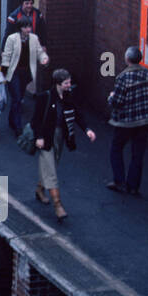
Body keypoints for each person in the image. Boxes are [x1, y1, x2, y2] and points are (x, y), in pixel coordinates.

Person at [31, 68, 95, 221]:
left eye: (69, 82)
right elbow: (35, 120)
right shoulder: (45, 97)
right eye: (66, 83)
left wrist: (87, 129)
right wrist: (39, 137)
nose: (69, 85)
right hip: (46, 138)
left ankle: (40, 189)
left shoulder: (68, 96)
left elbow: (77, 114)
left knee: (51, 165)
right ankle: (58, 205)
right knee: (51, 171)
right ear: (58, 83)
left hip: (60, 137)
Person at [106, 46, 148, 194]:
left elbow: (117, 102)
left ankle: (119, 181)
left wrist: (111, 97)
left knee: (116, 149)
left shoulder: (123, 78)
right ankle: (133, 186)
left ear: (127, 59)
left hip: (126, 121)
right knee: (137, 154)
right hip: (145, 120)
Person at [1, 18, 48, 135]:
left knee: (19, 97)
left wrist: (43, 58)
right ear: (19, 28)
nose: (28, 29)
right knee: (16, 98)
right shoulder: (12, 39)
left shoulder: (34, 39)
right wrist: (4, 71)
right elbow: (6, 55)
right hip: (14, 72)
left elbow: (39, 52)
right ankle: (18, 126)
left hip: (26, 73)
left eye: (29, 27)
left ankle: (11, 119)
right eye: (25, 27)